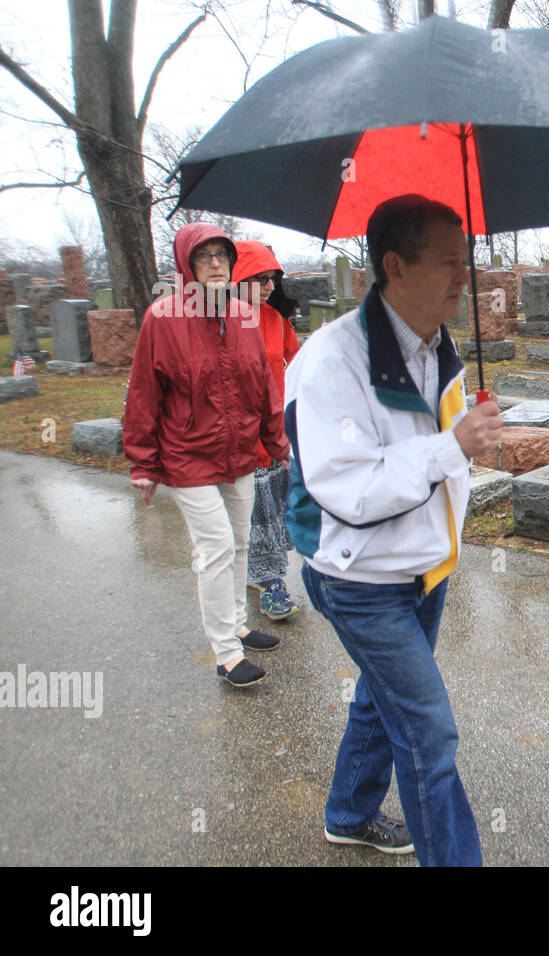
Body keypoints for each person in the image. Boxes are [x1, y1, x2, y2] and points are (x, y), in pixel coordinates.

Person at [285, 194, 502, 865]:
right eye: (448, 262)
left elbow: (434, 452)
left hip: (423, 569)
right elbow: (349, 487)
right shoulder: (330, 362)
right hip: (359, 578)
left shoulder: (437, 343)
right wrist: (452, 448)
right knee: (429, 733)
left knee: (387, 703)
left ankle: (349, 812)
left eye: (464, 261)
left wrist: (470, 442)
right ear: (395, 267)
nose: (464, 277)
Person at [123, 223, 292, 688]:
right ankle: (226, 652)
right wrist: (143, 462)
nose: (216, 263)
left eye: (222, 255)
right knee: (216, 546)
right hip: (188, 457)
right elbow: (143, 393)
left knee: (238, 541)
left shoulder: (243, 316)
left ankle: (238, 622)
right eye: (205, 256)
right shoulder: (162, 319)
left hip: (238, 453)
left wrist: (278, 445)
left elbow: (264, 389)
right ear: (187, 265)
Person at [231, 241, 303, 621]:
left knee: (275, 509)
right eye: (259, 279)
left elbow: (295, 362)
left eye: (272, 278)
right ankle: (271, 582)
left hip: (277, 432)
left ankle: (259, 570)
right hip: (241, 436)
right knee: (254, 511)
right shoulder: (220, 322)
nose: (269, 286)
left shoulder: (277, 320)